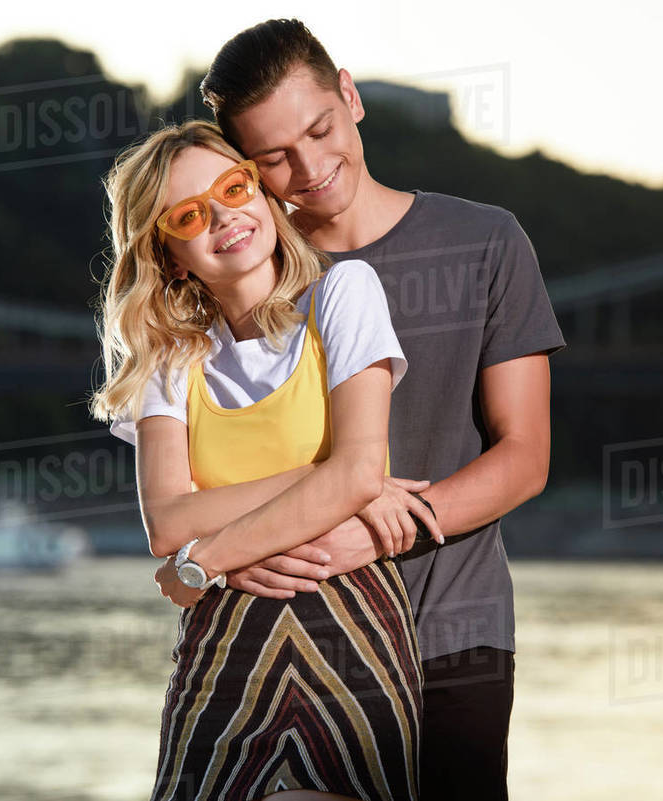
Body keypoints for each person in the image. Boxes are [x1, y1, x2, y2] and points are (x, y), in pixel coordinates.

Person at [157, 18, 568, 801]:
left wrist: (369, 532)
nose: (310, 168)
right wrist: (233, 551)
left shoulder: (486, 242)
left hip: (454, 628)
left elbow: (525, 456)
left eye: (320, 130)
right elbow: (200, 473)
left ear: (349, 95)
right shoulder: (240, 268)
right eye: (274, 156)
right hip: (284, 626)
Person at [91, 119, 443, 801]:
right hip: (224, 637)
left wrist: (208, 559)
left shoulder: (344, 293)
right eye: (190, 214)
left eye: (234, 187)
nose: (224, 216)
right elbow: (167, 523)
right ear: (171, 256)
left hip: (350, 624)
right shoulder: (169, 358)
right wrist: (330, 478)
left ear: (262, 191)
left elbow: (194, 544)